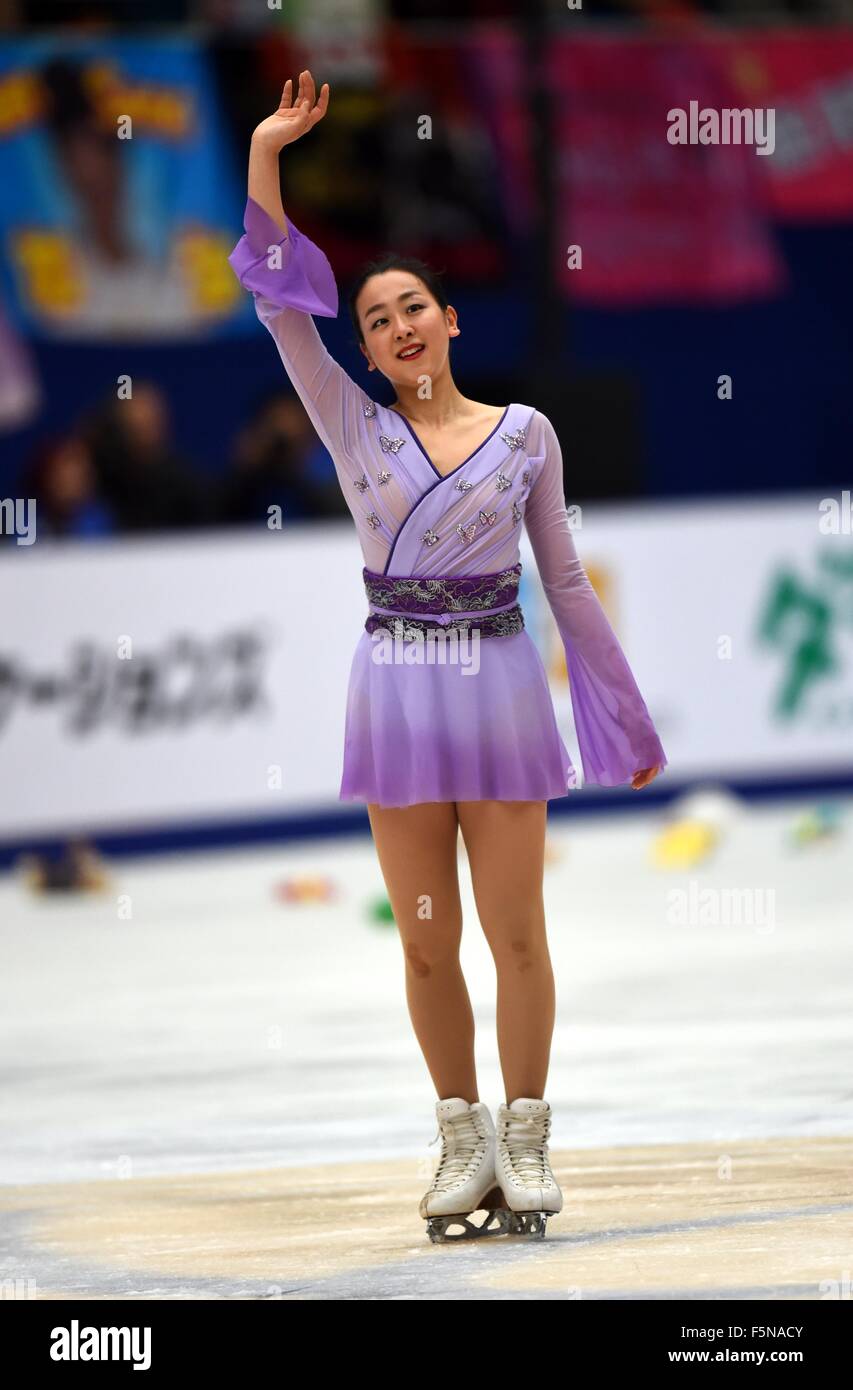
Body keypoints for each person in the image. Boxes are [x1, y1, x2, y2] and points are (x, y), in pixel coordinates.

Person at [228, 71, 667, 1242]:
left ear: (452, 318)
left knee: (515, 929)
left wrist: (616, 719)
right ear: (364, 351)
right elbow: (278, 302)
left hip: (503, 688)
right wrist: (270, 155)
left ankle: (524, 1135)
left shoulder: (525, 437)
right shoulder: (350, 423)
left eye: (412, 304)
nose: (398, 325)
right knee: (427, 938)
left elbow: (564, 581)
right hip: (399, 691)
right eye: (375, 319)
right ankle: (457, 1133)